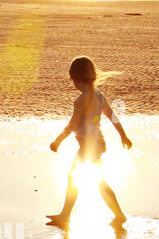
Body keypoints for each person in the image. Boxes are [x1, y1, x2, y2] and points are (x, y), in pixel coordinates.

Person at [47, 56, 132, 229]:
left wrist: (57, 141)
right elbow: (112, 116)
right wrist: (123, 136)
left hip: (88, 146)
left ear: (76, 78)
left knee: (75, 177)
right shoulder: (99, 95)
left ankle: (66, 216)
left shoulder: (81, 100)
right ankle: (118, 215)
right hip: (98, 144)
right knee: (97, 180)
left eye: (73, 80)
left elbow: (73, 124)